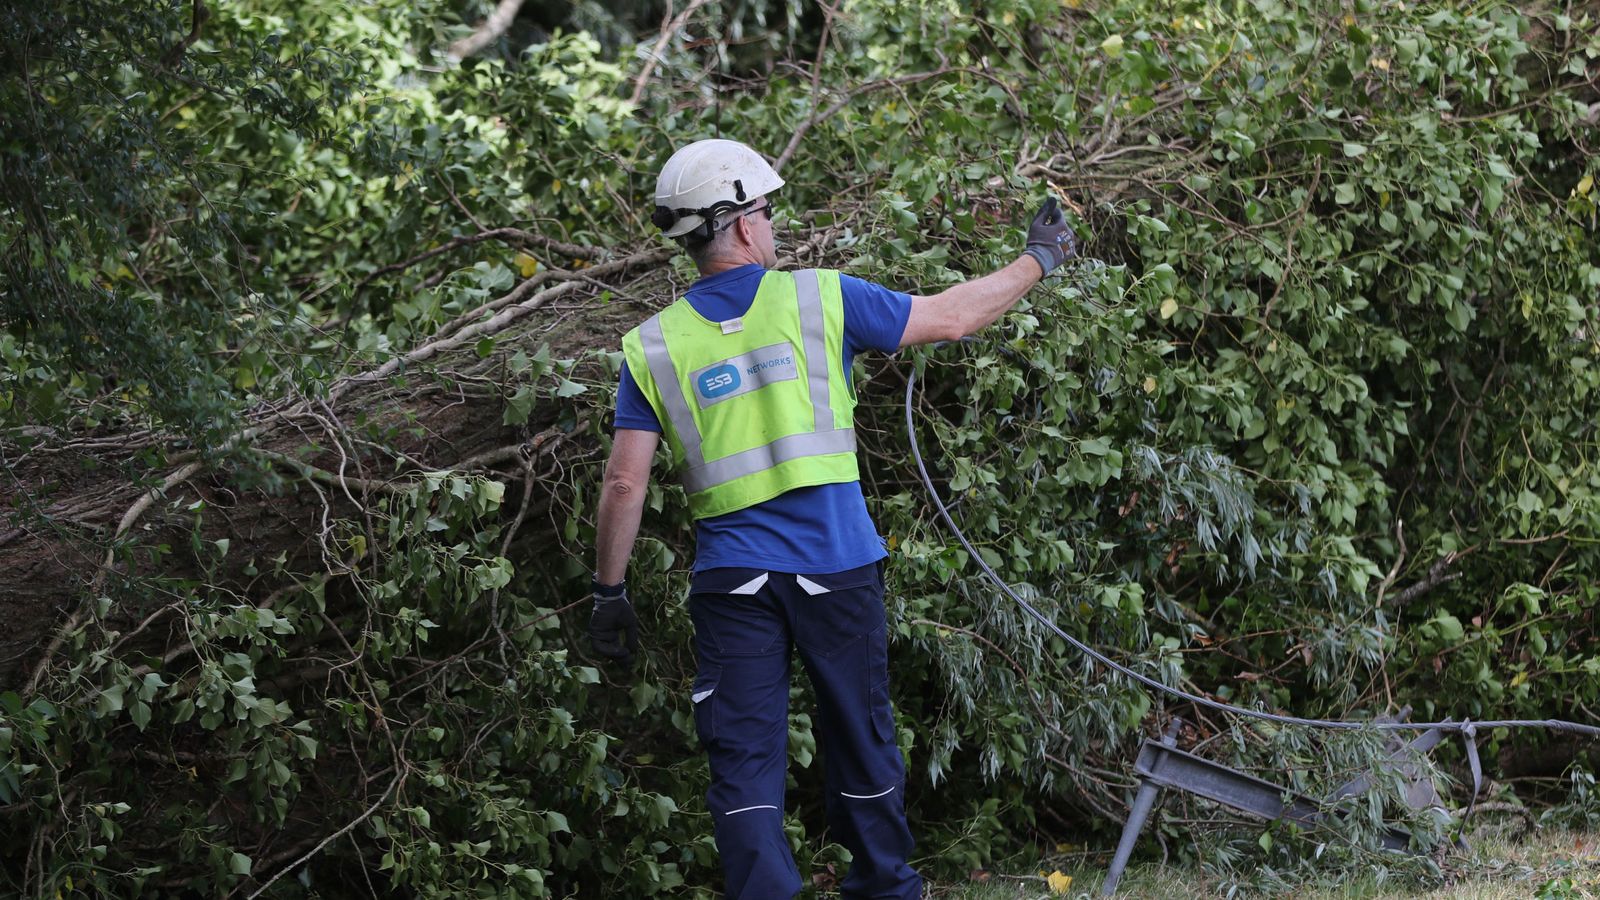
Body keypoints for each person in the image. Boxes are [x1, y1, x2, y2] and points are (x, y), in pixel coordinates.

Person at [586, 138, 1075, 899]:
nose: (773, 225)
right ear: (742, 223)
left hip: (731, 582)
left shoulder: (653, 346)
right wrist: (1038, 258)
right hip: (835, 567)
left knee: (744, 760)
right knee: (858, 736)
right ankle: (883, 889)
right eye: (766, 211)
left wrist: (609, 592)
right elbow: (951, 318)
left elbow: (624, 483)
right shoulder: (818, 299)